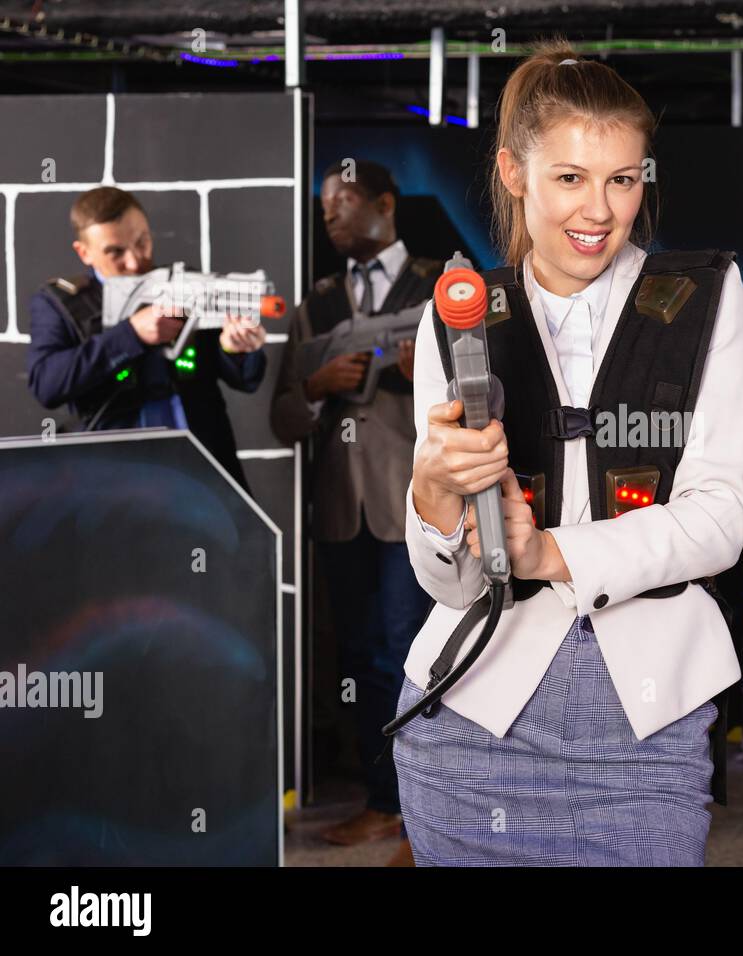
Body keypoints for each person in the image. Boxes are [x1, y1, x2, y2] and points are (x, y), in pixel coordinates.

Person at [393, 42, 743, 866]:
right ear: (514, 174)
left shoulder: (704, 296)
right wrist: (432, 496)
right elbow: (447, 581)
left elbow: (722, 516)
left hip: (648, 715)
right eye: (569, 178)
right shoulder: (459, 314)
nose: (599, 210)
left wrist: (549, 550)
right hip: (470, 716)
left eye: (623, 179)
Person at [270, 160, 440, 851]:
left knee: (413, 654)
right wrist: (315, 386)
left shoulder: (438, 286)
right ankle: (384, 801)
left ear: (385, 205)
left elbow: (493, 389)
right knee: (365, 658)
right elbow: (283, 417)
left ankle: (430, 803)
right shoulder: (316, 304)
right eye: (324, 209)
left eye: (343, 202)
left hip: (417, 506)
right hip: (342, 512)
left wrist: (423, 376)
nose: (331, 216)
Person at [26, 186, 267, 490]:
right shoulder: (60, 303)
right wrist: (130, 334)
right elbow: (47, 384)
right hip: (111, 483)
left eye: (142, 242)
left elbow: (246, 379)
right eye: (115, 252)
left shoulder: (182, 284)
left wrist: (234, 348)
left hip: (200, 476)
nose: (135, 260)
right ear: (84, 252)